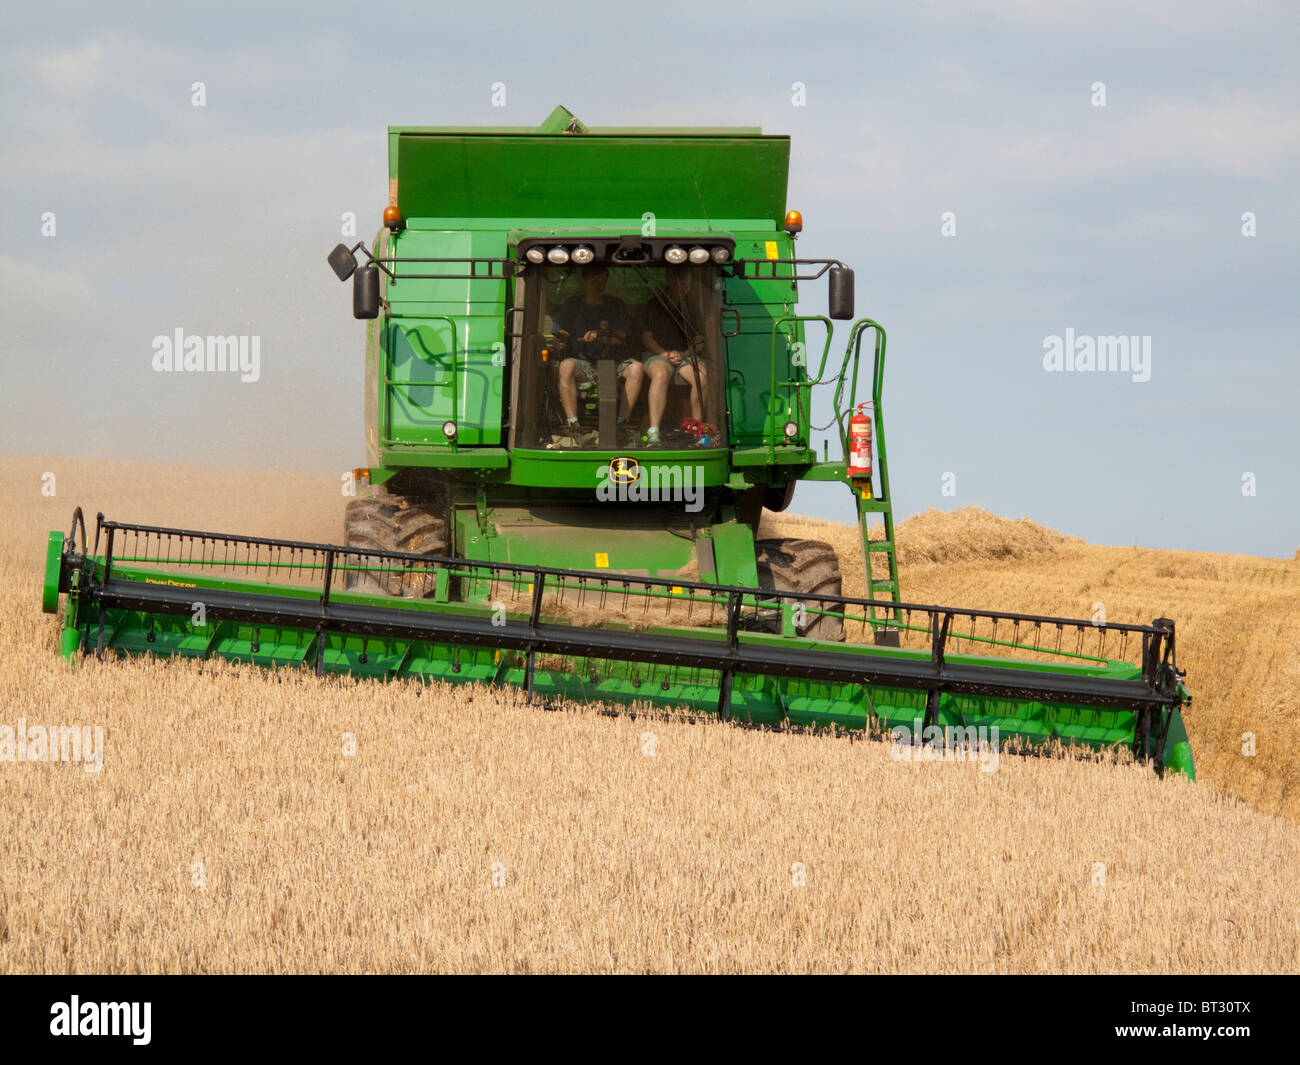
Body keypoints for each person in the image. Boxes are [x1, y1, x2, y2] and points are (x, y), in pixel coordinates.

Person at [551, 265, 644, 442]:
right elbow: (559, 334)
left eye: (602, 280)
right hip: (583, 363)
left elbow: (620, 337)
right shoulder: (572, 305)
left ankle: (621, 423)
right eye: (594, 280)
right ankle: (574, 425)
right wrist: (559, 343)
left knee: (637, 368)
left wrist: (599, 337)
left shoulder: (617, 305)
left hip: (615, 362)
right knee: (566, 365)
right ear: (584, 281)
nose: (598, 284)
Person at [640, 266, 708, 445]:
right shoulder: (654, 304)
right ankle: (653, 431)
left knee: (701, 377)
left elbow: (699, 340)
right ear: (670, 279)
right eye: (682, 280)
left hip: (684, 356)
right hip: (657, 354)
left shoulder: (690, 307)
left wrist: (685, 353)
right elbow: (646, 338)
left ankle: (697, 429)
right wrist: (664, 353)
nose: (686, 285)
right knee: (661, 374)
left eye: (689, 281)